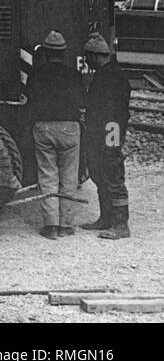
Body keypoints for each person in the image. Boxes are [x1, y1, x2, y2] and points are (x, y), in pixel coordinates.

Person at [26, 30, 85, 239]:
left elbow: (29, 97)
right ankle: (66, 225)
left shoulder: (35, 73)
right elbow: (81, 101)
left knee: (47, 175)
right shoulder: (74, 74)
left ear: (45, 52)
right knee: (69, 177)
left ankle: (50, 226)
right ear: (64, 52)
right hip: (69, 126)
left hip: (44, 127)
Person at [81, 33, 131, 239]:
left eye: (87, 57)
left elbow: (114, 113)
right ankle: (106, 218)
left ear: (95, 55)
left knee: (112, 175)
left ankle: (121, 225)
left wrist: (111, 142)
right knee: (100, 174)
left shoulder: (112, 76)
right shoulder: (107, 74)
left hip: (109, 132)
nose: (86, 61)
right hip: (101, 132)